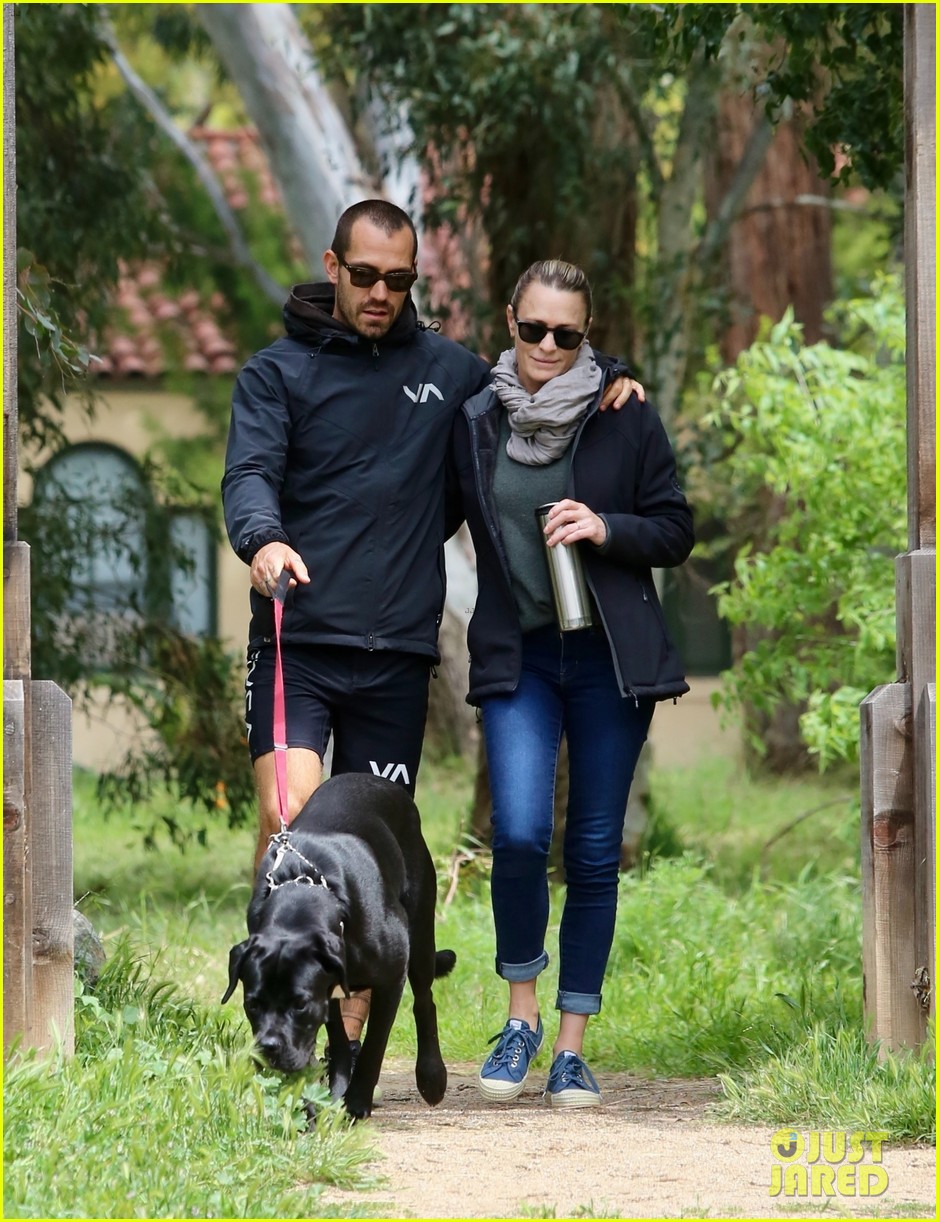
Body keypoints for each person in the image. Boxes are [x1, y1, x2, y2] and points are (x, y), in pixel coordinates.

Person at [222, 202, 642, 1045]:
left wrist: (615, 374)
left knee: (370, 855)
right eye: (367, 275)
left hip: (396, 654)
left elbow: (539, 369)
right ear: (333, 264)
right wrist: (263, 542)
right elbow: (250, 474)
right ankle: (279, 994)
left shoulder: (447, 371)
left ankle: (343, 1044)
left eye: (400, 280)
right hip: (297, 639)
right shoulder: (275, 374)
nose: (382, 293)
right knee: (291, 816)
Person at [446, 259, 694, 1108]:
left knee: (592, 850)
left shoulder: (623, 413)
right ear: (508, 319)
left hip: (607, 663)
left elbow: (675, 528)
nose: (548, 346)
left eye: (568, 334)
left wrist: (605, 525)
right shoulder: (474, 418)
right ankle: (517, 1021)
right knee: (516, 834)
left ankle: (571, 1045)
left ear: (587, 337)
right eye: (533, 328)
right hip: (518, 658)